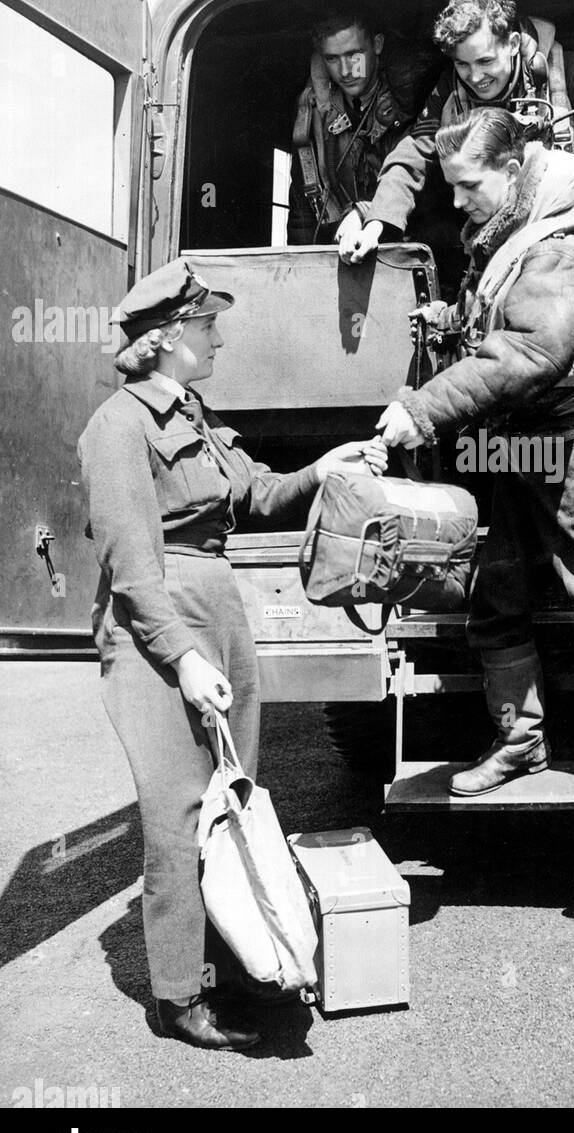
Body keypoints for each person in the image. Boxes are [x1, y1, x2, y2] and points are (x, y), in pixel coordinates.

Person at [78, 259, 386, 1050]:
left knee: (230, 802)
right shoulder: (118, 427)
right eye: (207, 324)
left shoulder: (194, 413)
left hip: (217, 611)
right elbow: (132, 566)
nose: (219, 334)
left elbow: (254, 494)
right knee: (179, 816)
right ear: (171, 337)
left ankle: (244, 965)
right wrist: (181, 657)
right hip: (162, 628)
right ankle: (180, 999)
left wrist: (325, 469)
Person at [375, 107, 574, 818]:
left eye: (468, 185)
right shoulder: (512, 236)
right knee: (495, 593)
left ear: (511, 173)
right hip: (523, 447)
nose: (456, 202)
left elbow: (532, 353)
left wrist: (422, 409)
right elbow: (505, 332)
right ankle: (519, 743)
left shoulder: (556, 249)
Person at [337, 0, 574, 268]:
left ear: (513, 43)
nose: (475, 77)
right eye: (463, 64)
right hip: (489, 242)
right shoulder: (449, 89)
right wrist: (377, 222)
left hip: (565, 239)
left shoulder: (564, 71)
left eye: (486, 61)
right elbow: (412, 155)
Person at [287, 10, 440, 244]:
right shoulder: (315, 116)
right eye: (332, 58)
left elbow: (426, 188)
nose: (346, 70)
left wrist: (366, 213)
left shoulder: (410, 104)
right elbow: (303, 214)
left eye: (353, 54)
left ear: (377, 45)